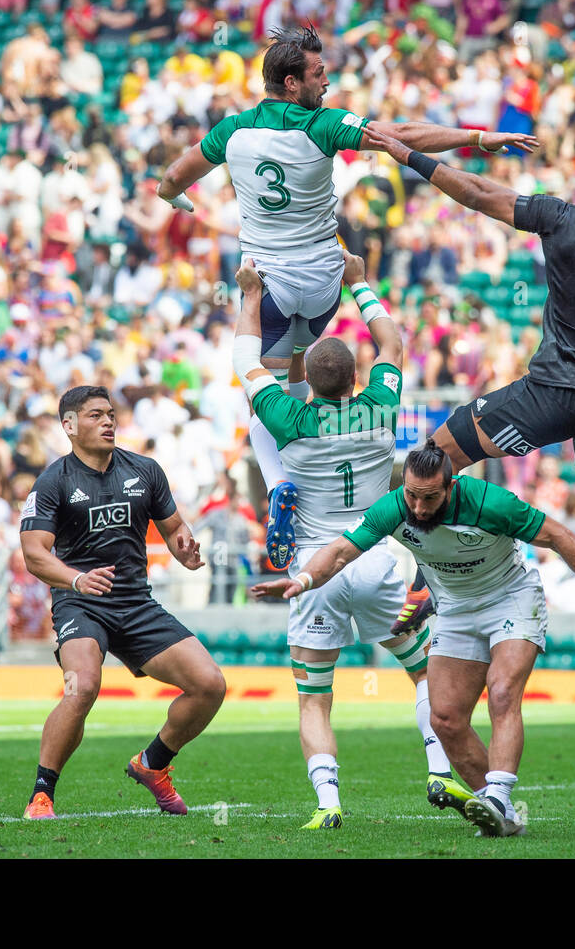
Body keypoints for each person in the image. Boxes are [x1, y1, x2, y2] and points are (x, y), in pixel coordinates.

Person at [359, 68, 575, 688]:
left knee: (435, 456)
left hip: (546, 396)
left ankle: (422, 591)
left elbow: (474, 193)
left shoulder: (563, 219)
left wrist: (409, 154)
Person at [158, 25, 537, 573]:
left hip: (265, 282)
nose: (328, 82)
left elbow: (172, 176)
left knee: (267, 390)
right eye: (318, 75)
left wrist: (178, 200)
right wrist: (476, 138)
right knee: (293, 373)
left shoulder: (231, 131)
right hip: (323, 285)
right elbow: (401, 134)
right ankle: (317, 495)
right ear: (291, 82)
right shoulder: (325, 126)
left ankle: (280, 488)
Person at [250, 441, 575, 837]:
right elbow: (339, 552)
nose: (419, 508)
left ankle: (497, 795)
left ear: (451, 485)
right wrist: (302, 580)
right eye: (412, 496)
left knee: (503, 690)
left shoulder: (491, 502)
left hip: (510, 598)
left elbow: (558, 536)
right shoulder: (394, 508)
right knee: (444, 718)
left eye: (430, 498)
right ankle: (502, 814)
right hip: (455, 608)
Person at [233, 253, 471, 828]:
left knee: (315, 697)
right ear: (356, 377)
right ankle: (439, 770)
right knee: (422, 673)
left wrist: (248, 295)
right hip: (375, 557)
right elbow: (392, 343)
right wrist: (360, 283)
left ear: (307, 384)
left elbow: (244, 362)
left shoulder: (291, 418)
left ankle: (328, 804)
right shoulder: (381, 405)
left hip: (313, 568)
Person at [18, 385, 226, 820]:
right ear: (69, 426)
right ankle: (42, 794)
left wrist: (183, 549)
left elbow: (174, 529)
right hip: (81, 603)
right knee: (83, 687)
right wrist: (76, 579)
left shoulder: (146, 470)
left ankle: (152, 764)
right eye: (96, 415)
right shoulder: (52, 481)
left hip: (135, 602)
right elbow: (35, 554)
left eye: (110, 414)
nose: (108, 421)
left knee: (210, 685)